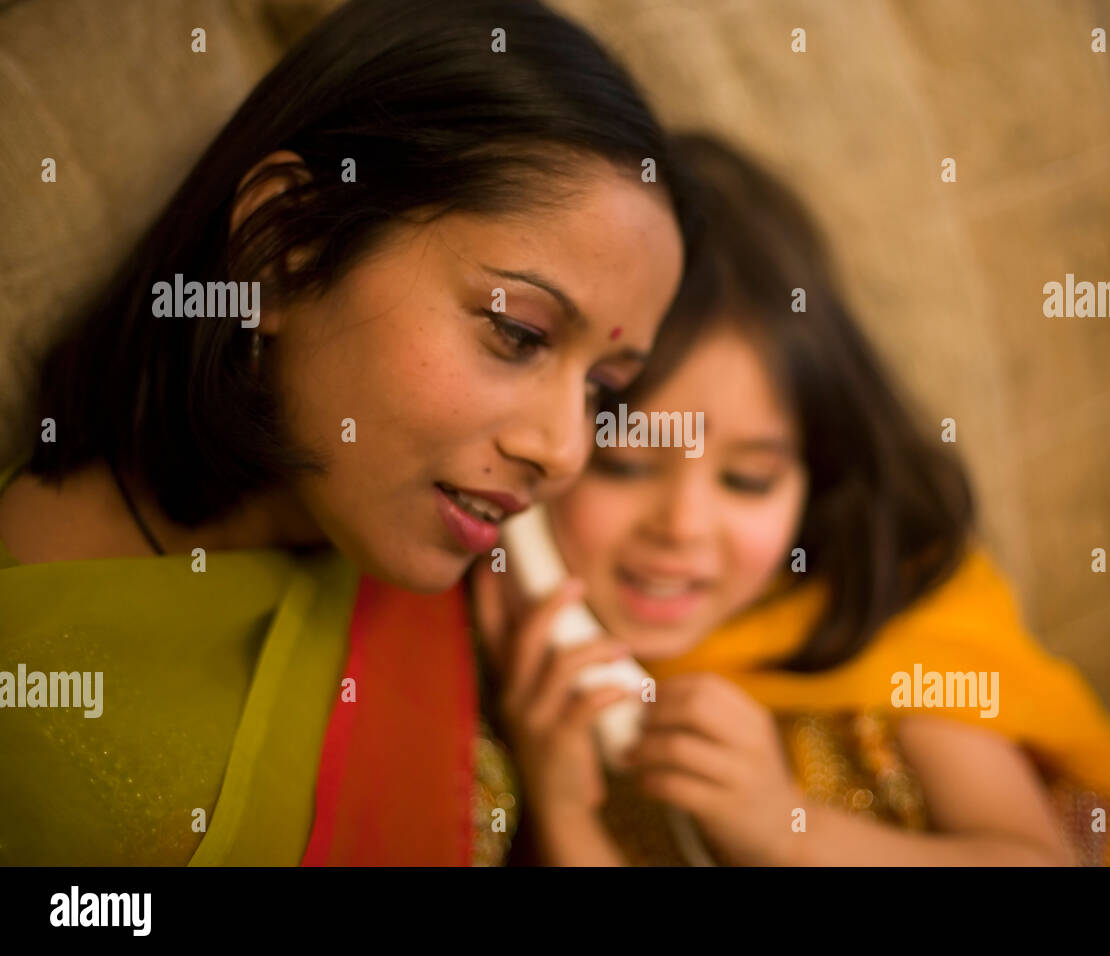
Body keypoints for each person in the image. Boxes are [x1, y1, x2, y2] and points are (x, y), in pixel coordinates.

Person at [0, 0, 695, 865]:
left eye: (602, 390)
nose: (564, 452)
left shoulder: (443, 571)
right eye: (516, 332)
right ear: (283, 246)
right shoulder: (34, 703)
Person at [470, 132, 1110, 866]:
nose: (684, 527)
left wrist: (784, 830)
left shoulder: (883, 630)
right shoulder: (531, 664)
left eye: (749, 479)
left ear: (816, 477)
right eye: (626, 466)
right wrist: (565, 812)